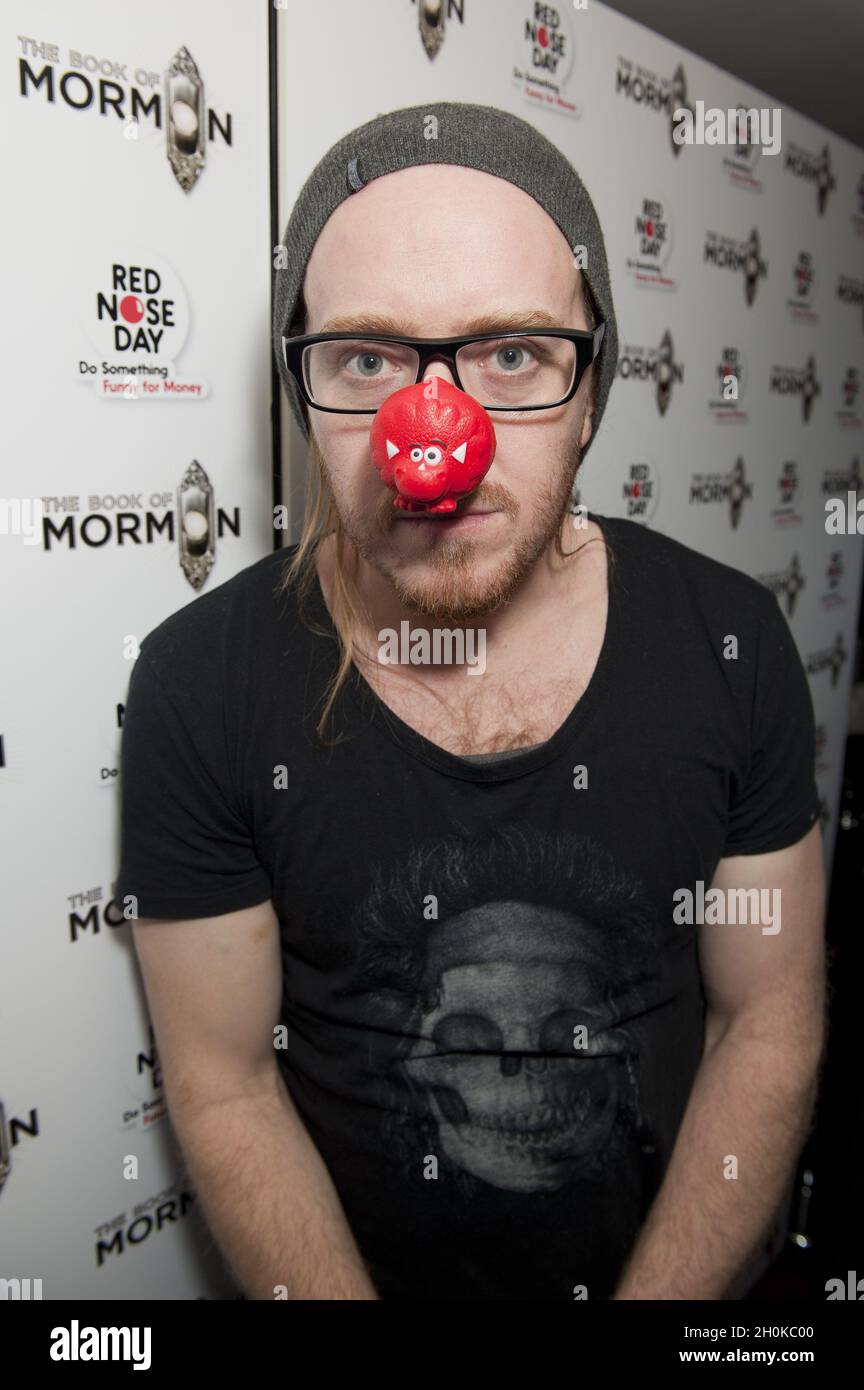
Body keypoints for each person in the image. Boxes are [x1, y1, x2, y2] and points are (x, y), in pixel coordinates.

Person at [114, 102, 826, 1301]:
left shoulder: (731, 645)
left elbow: (768, 1023)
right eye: (370, 359)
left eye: (510, 353)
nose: (433, 432)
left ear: (591, 387)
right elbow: (228, 1082)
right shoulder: (201, 685)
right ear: (305, 398)